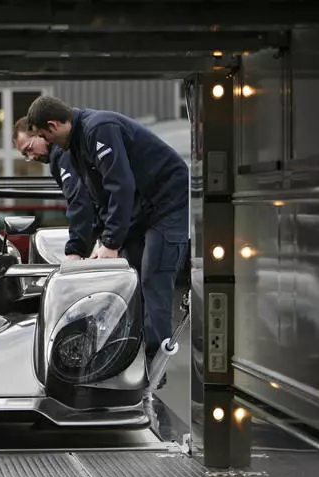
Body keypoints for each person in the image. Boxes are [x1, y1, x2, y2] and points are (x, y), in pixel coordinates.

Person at [25, 96, 190, 364]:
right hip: (141, 206)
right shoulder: (75, 146)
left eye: (45, 136)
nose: (47, 145)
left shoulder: (98, 128)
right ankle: (126, 355)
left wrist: (111, 242)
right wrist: (89, 245)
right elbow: (98, 198)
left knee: (152, 276)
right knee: (128, 278)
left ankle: (154, 363)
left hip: (166, 202)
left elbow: (120, 185)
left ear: (53, 125)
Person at [12, 116, 100, 261]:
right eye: (25, 155)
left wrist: (75, 251)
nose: (31, 157)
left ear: (40, 134)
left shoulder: (62, 155)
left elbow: (79, 200)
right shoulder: (62, 155)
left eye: (29, 148)